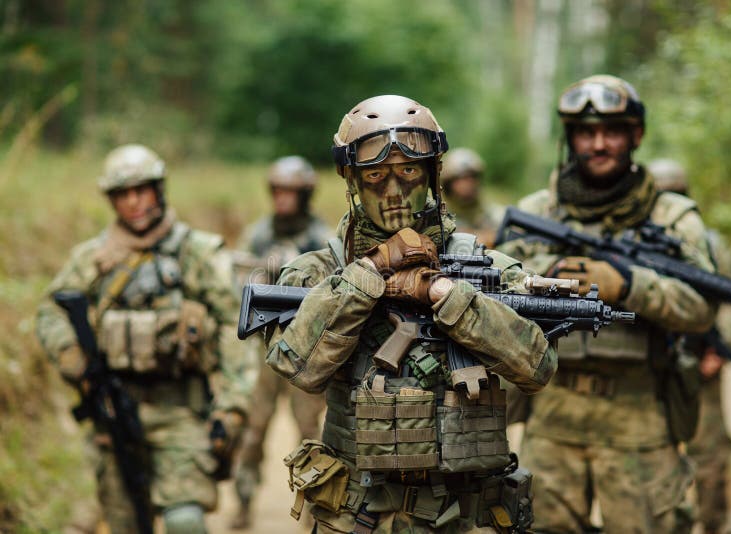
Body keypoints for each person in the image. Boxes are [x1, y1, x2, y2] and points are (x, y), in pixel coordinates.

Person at [263, 94, 557, 533]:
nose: (394, 192)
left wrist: (445, 294)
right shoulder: (320, 271)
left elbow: (537, 366)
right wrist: (374, 271)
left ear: (433, 175)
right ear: (353, 182)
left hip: (462, 511)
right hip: (358, 510)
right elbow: (298, 365)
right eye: (376, 176)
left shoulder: (483, 268)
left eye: (409, 172)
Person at [498, 75, 718, 532]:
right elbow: (495, 298)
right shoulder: (536, 211)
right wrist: (551, 280)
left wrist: (627, 284)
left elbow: (702, 308)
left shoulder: (672, 217)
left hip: (640, 422)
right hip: (553, 416)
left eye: (612, 131)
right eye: (585, 132)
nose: (598, 143)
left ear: (636, 135)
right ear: (570, 138)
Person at [36, 144, 251, 534]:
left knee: (185, 521)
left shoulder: (197, 252)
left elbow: (234, 327)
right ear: (111, 200)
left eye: (142, 190)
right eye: (122, 194)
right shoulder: (92, 258)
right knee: (125, 523)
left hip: (182, 412)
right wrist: (69, 354)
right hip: (114, 413)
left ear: (159, 189)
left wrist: (233, 405)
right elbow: (51, 311)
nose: (133, 202)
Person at [230, 155, 330, 530]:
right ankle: (243, 500)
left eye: (291, 192)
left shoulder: (320, 238)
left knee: (310, 430)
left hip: (304, 352)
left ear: (305, 195)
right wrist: (259, 275)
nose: (283, 199)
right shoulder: (258, 235)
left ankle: (318, 505)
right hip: (264, 351)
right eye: (278, 191)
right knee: (253, 430)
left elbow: (334, 292)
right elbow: (236, 286)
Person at [651, 158, 731, 534]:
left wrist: (721, 350)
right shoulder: (641, 241)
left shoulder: (709, 242)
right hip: (656, 362)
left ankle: (713, 523)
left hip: (702, 358)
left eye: (677, 193)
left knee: (710, 453)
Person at [439, 147, 502, 246]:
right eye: (460, 179)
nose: (467, 184)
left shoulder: (495, 214)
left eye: (471, 177)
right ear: (448, 184)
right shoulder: (439, 217)